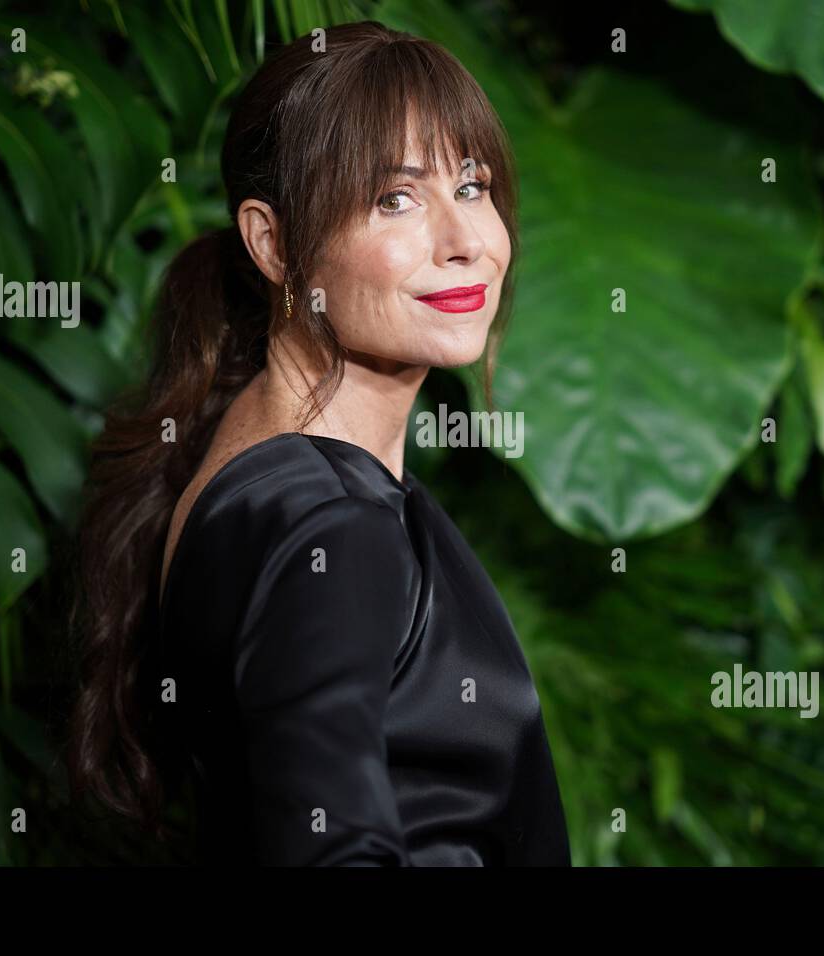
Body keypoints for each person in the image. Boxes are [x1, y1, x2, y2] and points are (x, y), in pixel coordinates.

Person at [68, 20, 570, 866]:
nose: (465, 242)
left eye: (473, 185)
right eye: (395, 199)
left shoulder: (250, 461)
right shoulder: (331, 525)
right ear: (274, 242)